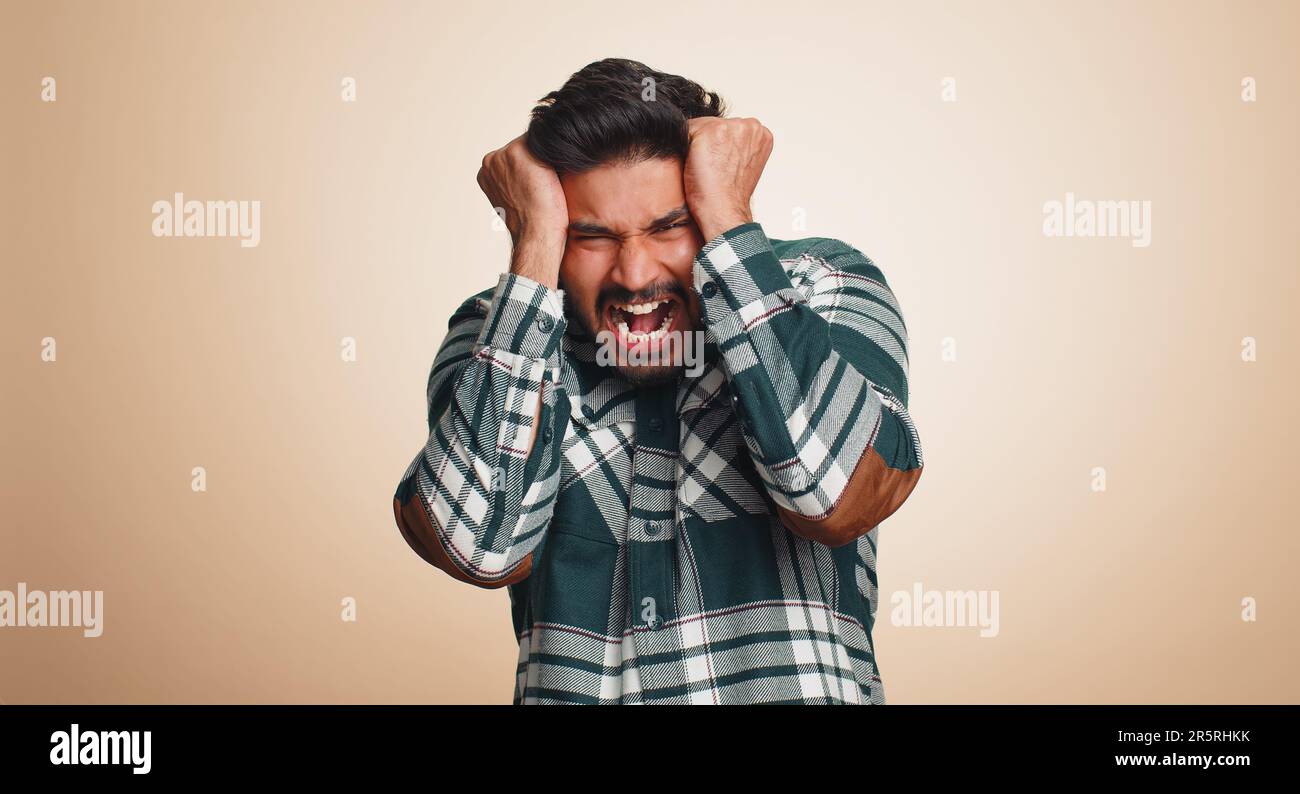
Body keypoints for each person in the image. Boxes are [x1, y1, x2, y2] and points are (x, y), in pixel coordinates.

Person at [393, 58, 923, 704]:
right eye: (591, 237)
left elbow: (831, 491)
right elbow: (475, 540)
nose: (636, 273)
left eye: (669, 225)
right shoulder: (499, 330)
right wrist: (532, 245)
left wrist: (728, 218)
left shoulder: (822, 286)